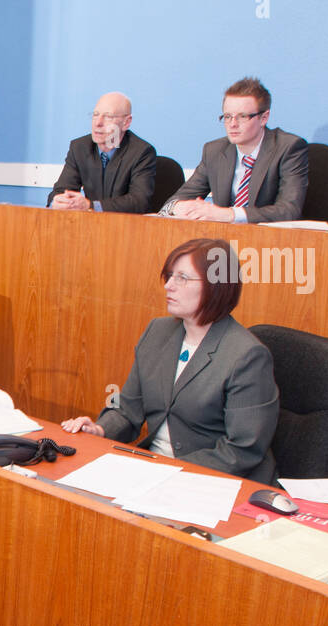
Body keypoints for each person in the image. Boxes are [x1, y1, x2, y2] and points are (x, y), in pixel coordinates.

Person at [61, 238, 279, 483]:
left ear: (217, 286)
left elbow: (242, 451)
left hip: (212, 480)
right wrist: (100, 430)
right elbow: (127, 410)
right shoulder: (157, 331)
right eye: (170, 276)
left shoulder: (247, 355)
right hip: (155, 471)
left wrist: (165, 471)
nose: (169, 286)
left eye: (182, 278)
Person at [162, 77, 308, 224]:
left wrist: (229, 214)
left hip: (271, 242)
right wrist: (179, 207)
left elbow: (288, 211)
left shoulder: (288, 148)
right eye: (227, 116)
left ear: (264, 118)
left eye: (242, 116)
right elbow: (174, 201)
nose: (232, 124)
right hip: (222, 240)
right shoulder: (215, 151)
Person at [48, 92, 157, 213]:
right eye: (95, 115)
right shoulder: (80, 147)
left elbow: (138, 202)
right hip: (90, 226)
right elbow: (60, 191)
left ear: (126, 122)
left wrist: (91, 206)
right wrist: (58, 202)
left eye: (108, 117)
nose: (98, 123)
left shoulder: (141, 152)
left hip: (126, 227)